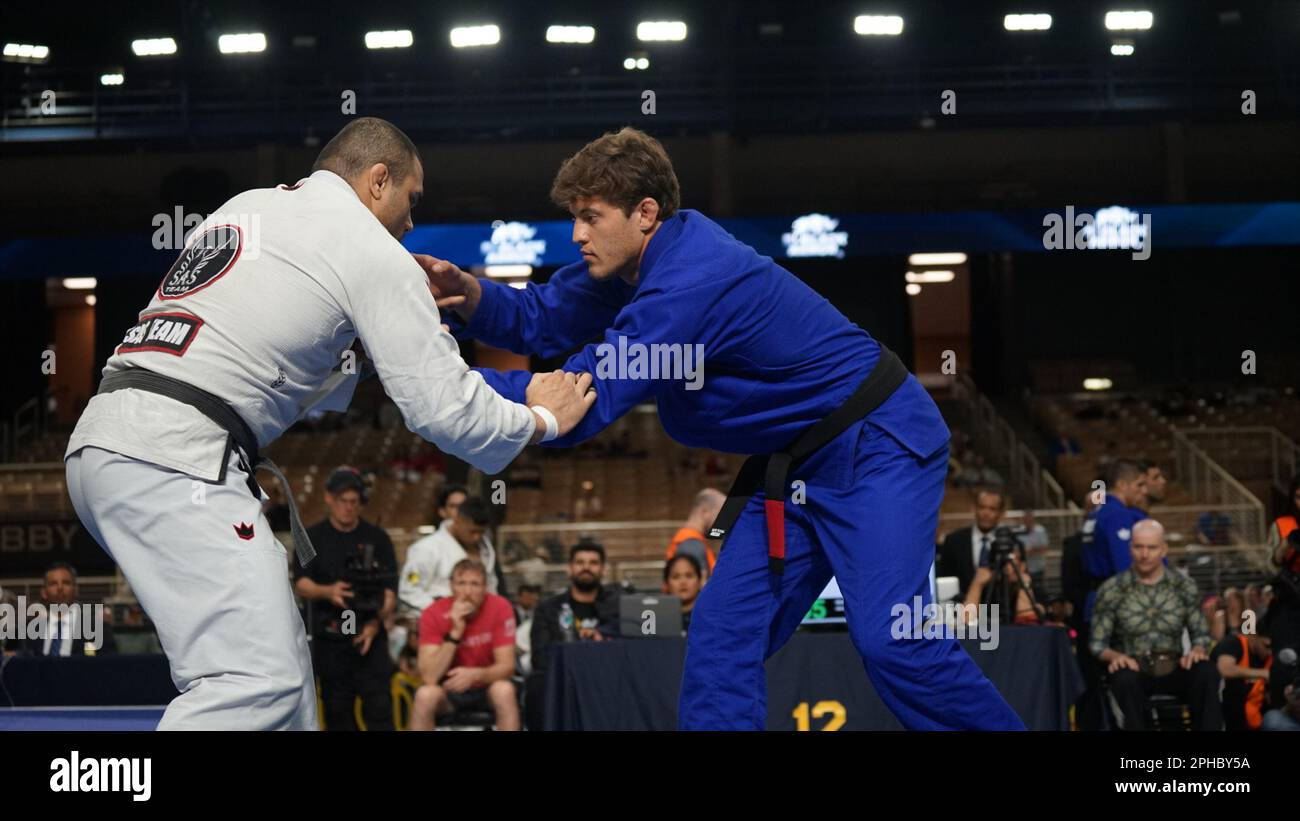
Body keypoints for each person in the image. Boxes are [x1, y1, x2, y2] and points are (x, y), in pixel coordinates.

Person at [426, 126, 1023, 730]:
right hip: (798, 463)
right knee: (723, 634)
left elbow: (582, 398)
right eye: (574, 217)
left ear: (646, 213)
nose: (576, 234)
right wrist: (471, 297)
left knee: (896, 642)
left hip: (877, 444)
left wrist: (438, 384)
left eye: (590, 216)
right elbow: (545, 315)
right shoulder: (631, 265)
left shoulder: (690, 280)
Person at [61, 117, 596, 729]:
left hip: (107, 442)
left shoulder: (244, 210)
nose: (412, 222)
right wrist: (543, 418)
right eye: (411, 200)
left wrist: (371, 356)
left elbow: (260, 350)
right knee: (253, 681)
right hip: (175, 457)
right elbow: (442, 410)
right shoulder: (373, 253)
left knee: (285, 676)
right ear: (377, 179)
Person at [1089, 519, 1221, 731]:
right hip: (1134, 667)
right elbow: (1097, 643)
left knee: (1206, 671)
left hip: (1175, 665)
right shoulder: (1112, 589)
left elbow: (1202, 635)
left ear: (1164, 549)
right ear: (1130, 548)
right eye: (1138, 546)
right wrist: (1115, 657)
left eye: (1151, 547)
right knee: (1123, 679)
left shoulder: (1183, 585)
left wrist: (1197, 649)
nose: (1144, 554)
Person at [293, 466, 397, 731]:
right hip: (330, 641)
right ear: (329, 498)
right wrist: (329, 592)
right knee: (337, 713)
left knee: (380, 710)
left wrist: (374, 624)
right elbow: (301, 584)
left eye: (354, 501)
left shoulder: (378, 539)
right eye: (343, 500)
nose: (349, 507)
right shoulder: (311, 538)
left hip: (370, 638)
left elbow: (389, 592)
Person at [411, 560, 519, 731]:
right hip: (448, 689)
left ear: (485, 588)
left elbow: (507, 667)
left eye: (475, 584)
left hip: (487, 686)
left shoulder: (500, 607)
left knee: (504, 690)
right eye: (461, 583)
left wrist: (477, 675)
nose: (467, 592)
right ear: (451, 586)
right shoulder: (432, 613)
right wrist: (455, 633)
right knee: (425, 695)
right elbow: (429, 677)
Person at [525, 540, 620, 730]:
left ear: (603, 570)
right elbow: (540, 657)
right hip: (562, 678)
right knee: (537, 683)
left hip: (606, 676)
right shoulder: (548, 608)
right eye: (580, 562)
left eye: (593, 563)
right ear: (569, 568)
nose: (586, 568)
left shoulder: (618, 605)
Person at [399, 496, 498, 615]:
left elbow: (491, 587)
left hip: (480, 621)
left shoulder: (486, 550)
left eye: (481, 532)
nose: (477, 537)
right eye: (472, 531)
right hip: (439, 621)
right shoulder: (426, 549)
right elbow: (409, 589)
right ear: (457, 521)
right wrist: (441, 611)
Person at [1081, 458, 1149, 621]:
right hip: (1115, 604)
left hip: (1096, 598)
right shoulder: (1117, 515)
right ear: (1122, 485)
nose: (1144, 491)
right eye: (1138, 485)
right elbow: (1124, 565)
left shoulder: (1096, 512)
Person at [22, 562, 116, 657]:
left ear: (76, 590)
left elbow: (108, 664)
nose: (60, 588)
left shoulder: (98, 628)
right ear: (43, 592)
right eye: (53, 584)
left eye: (66, 583)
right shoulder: (28, 630)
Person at [937, 487, 1007, 599]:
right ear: (974, 509)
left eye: (992, 509)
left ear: (1001, 513)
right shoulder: (953, 541)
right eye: (982, 507)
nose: (986, 513)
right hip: (961, 610)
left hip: (1000, 611)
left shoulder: (1010, 543)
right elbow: (944, 580)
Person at [1212, 632, 1271, 731]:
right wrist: (1263, 673)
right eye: (1266, 646)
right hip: (1226, 708)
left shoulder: (1270, 657)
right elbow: (1224, 669)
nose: (1270, 652)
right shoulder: (1234, 643)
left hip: (1255, 716)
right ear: (1253, 637)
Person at [665, 488, 725, 575]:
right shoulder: (691, 545)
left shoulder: (690, 541)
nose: (723, 522)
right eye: (720, 514)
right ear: (705, 511)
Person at [663, 553, 704, 633]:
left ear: (699, 581)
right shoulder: (658, 620)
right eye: (676, 577)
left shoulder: (711, 618)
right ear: (666, 584)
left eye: (689, 576)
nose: (683, 582)